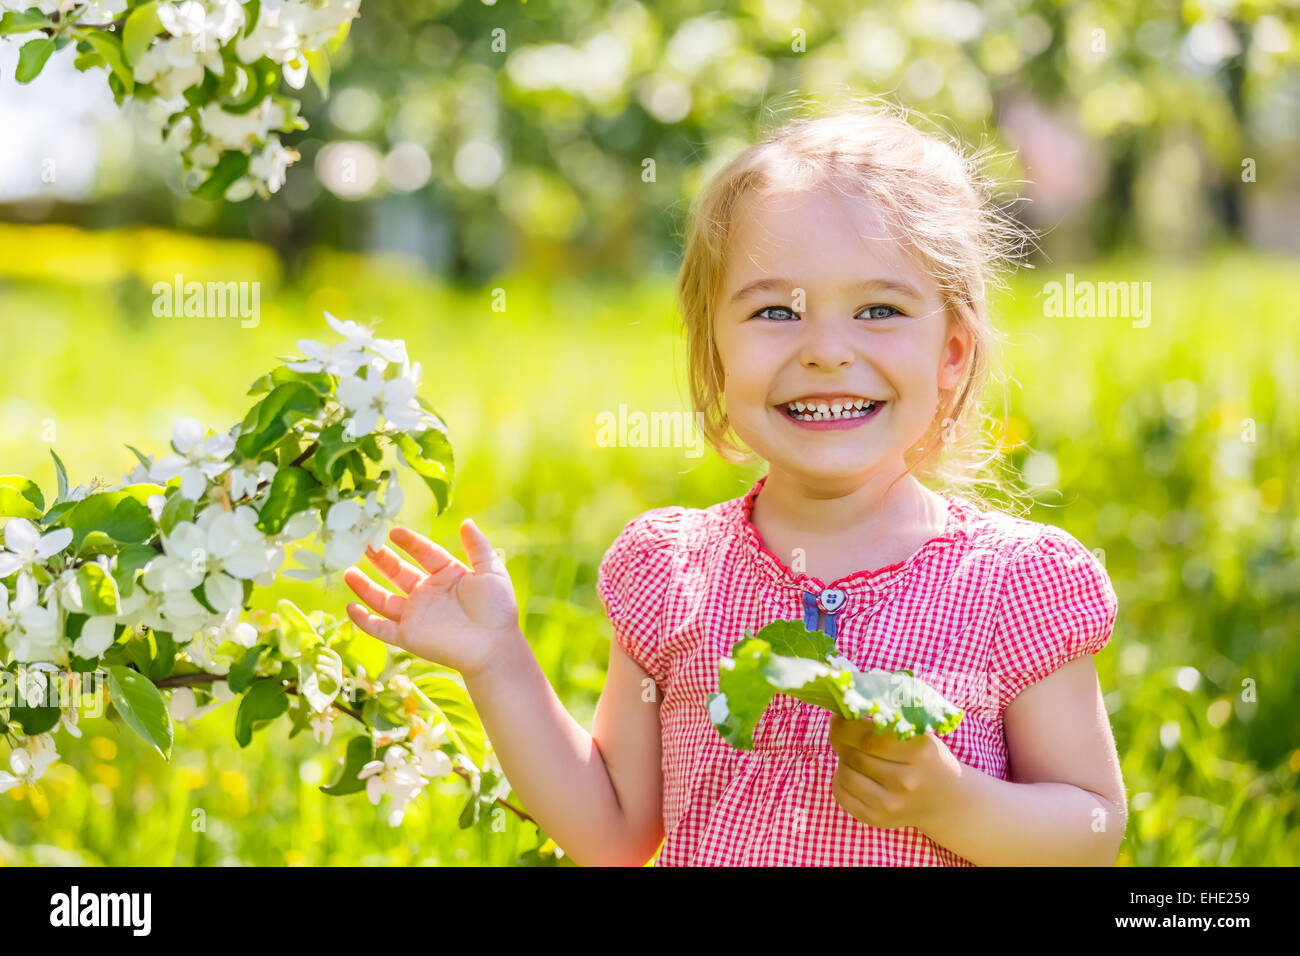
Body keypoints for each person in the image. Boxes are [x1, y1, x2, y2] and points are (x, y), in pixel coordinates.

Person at [343, 102, 1126, 866]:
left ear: (952, 352)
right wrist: (497, 661)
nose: (825, 350)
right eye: (776, 313)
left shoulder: (1014, 585)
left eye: (879, 309)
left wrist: (952, 803)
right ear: (714, 355)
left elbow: (1093, 829)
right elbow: (613, 837)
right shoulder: (672, 572)